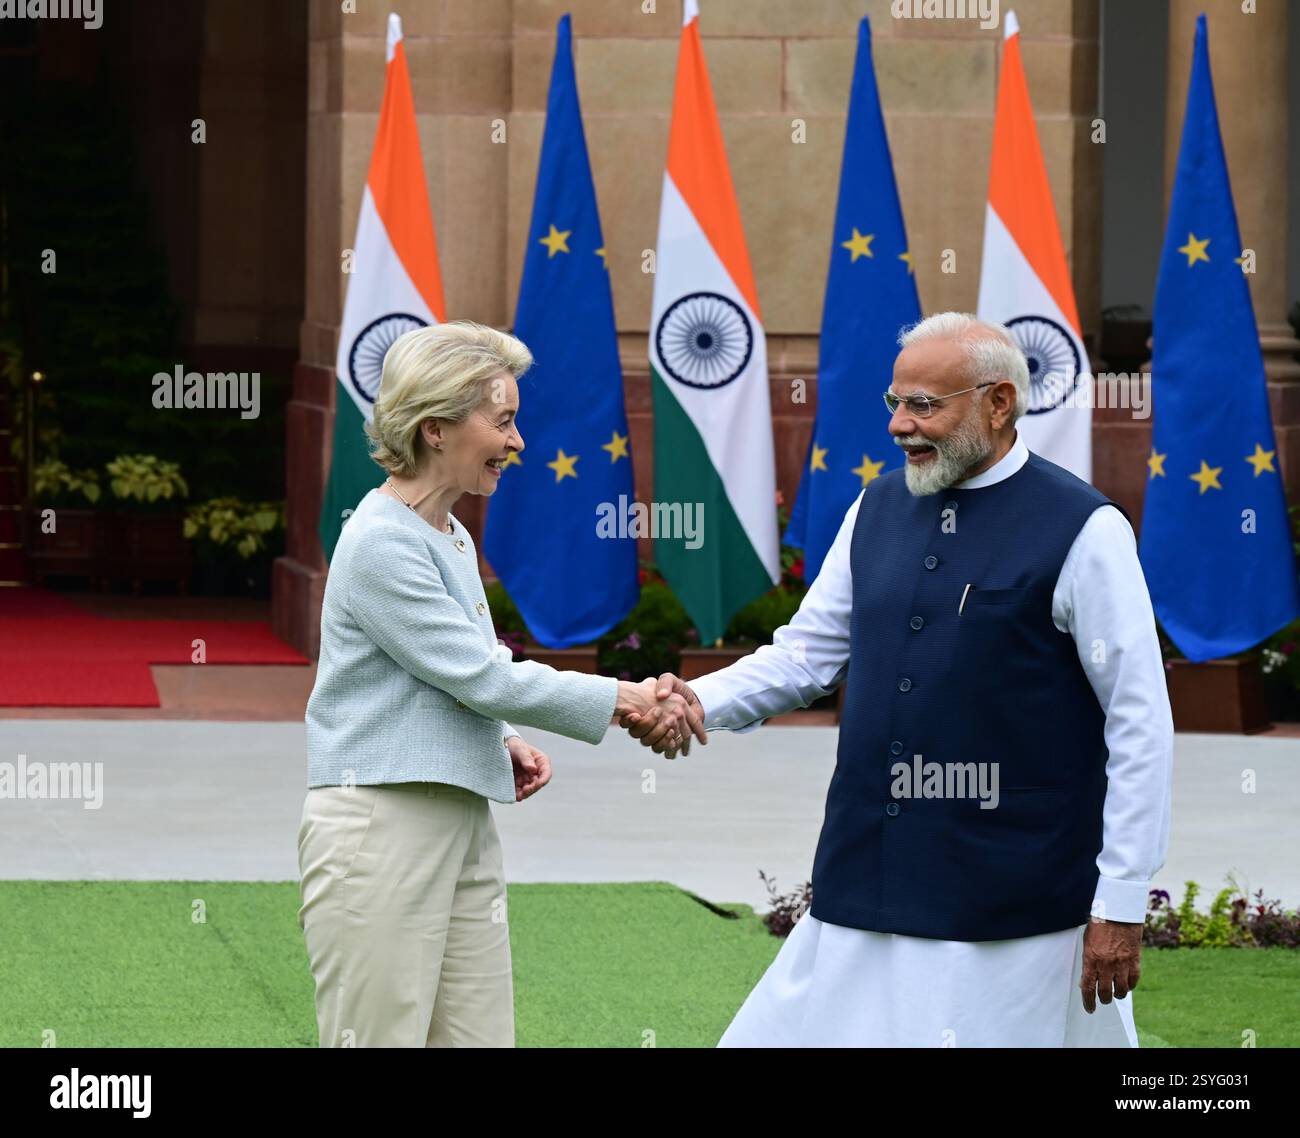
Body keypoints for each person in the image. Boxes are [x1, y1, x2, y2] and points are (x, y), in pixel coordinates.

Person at [628, 312, 1174, 1047]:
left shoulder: (1084, 528)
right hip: (865, 874)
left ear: (999, 403)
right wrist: (697, 701)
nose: (898, 425)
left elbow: (1138, 721)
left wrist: (1122, 899)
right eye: (894, 402)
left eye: (923, 405)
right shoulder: (875, 507)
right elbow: (804, 656)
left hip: (1013, 900)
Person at [297, 321, 705, 1048]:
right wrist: (625, 698)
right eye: (504, 420)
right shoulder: (381, 540)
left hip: (459, 817)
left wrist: (502, 738)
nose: (519, 443)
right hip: (380, 827)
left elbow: (459, 671)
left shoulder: (446, 533)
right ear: (434, 429)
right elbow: (480, 672)